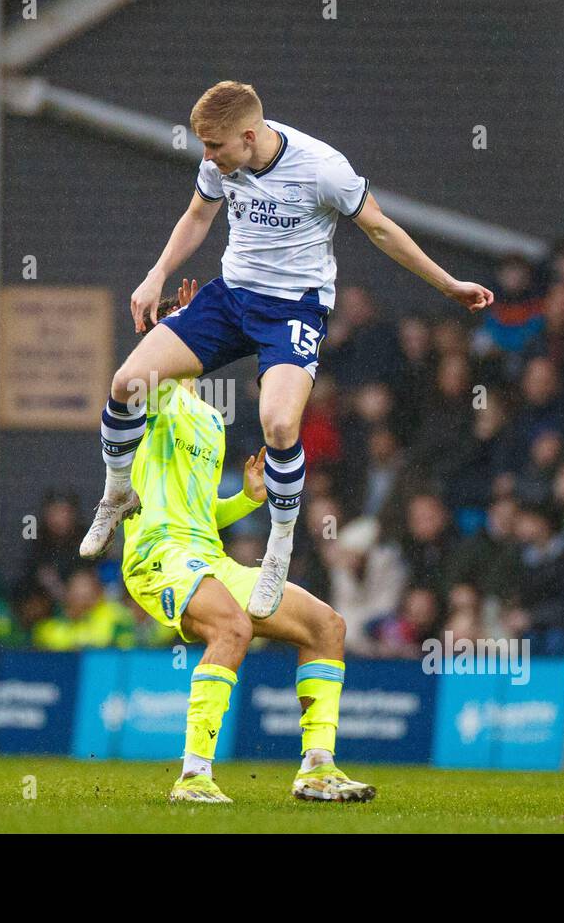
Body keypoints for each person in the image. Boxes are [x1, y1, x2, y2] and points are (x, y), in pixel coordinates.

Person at [81, 80, 493, 623]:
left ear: (249, 136)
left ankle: (278, 551)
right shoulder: (220, 163)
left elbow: (382, 230)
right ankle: (116, 497)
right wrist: (157, 275)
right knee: (127, 382)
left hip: (293, 311)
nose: (207, 156)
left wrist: (447, 284)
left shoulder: (322, 168)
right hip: (229, 300)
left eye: (215, 146)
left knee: (278, 425)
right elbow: (197, 218)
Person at [119, 282, 375, 804]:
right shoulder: (155, 397)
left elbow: (200, 510)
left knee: (326, 626)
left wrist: (248, 500)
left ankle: (318, 769)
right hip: (157, 558)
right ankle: (193, 776)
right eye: (183, 321)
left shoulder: (211, 419)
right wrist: (162, 320)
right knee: (233, 627)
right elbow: (140, 369)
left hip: (206, 555)